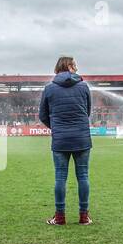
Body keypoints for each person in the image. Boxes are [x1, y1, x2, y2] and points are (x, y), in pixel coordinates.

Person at [39, 55, 93, 225]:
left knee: (60, 178)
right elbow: (88, 112)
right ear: (68, 66)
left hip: (61, 139)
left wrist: (56, 127)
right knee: (83, 176)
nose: (76, 67)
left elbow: (43, 116)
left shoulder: (49, 88)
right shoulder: (84, 86)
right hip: (81, 138)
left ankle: (60, 217)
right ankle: (84, 216)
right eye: (74, 65)